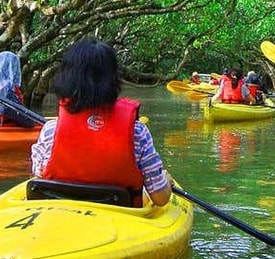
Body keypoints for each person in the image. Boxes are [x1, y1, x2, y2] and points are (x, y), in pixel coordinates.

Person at [30, 37, 172, 207]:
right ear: (113, 79)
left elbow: (39, 177)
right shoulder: (138, 133)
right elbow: (160, 198)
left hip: (61, 217)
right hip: (119, 221)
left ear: (66, 77)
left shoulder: (50, 130)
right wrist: (166, 181)